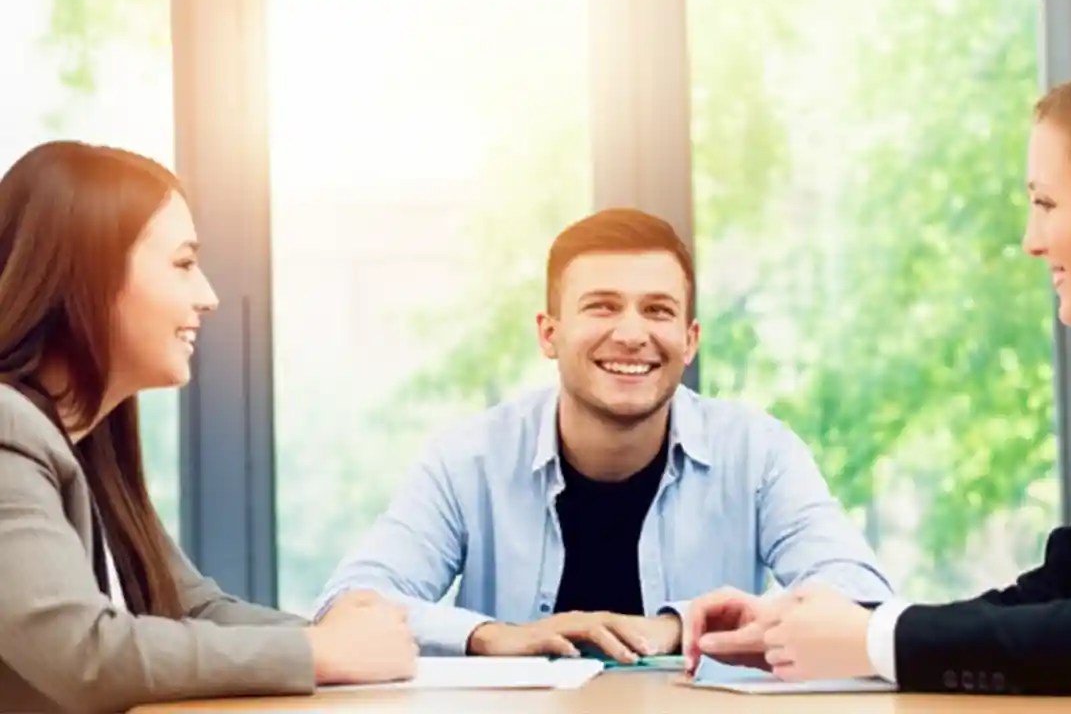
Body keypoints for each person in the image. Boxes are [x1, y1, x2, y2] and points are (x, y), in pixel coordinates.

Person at [681, 52, 1071, 714]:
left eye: (1046, 203)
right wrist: (817, 630)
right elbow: (1058, 593)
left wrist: (872, 641)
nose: (1031, 240)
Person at [316, 208, 891, 663]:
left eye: (658, 311)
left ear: (690, 341)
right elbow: (351, 604)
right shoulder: (468, 459)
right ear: (549, 334)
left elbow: (860, 595)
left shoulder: (758, 452)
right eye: (602, 307)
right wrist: (492, 635)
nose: (632, 334)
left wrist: (681, 626)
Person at [0, 141, 417, 714]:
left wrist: (341, 640)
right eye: (183, 264)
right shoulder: (9, 433)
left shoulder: (87, 444)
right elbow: (84, 654)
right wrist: (319, 651)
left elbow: (192, 609)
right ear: (88, 277)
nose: (209, 297)